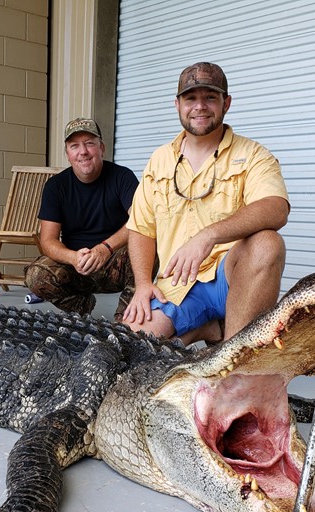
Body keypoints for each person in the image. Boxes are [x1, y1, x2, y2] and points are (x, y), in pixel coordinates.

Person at [121, 62, 289, 345]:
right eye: (191, 98)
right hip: (176, 285)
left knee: (268, 243)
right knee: (129, 346)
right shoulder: (159, 160)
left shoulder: (253, 155)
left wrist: (209, 235)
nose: (200, 106)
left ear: (227, 103)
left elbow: (276, 207)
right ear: (177, 104)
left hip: (231, 280)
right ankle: (208, 328)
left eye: (210, 97)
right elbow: (140, 228)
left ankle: (234, 355)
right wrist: (142, 285)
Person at [24, 117, 138, 320]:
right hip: (77, 266)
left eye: (89, 143)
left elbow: (140, 220)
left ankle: (126, 322)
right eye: (74, 146)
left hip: (115, 261)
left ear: (102, 148)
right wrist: (73, 258)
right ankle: (81, 307)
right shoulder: (56, 186)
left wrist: (105, 249)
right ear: (67, 154)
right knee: (36, 275)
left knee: (146, 250)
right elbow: (47, 240)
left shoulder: (123, 177)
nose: (83, 151)